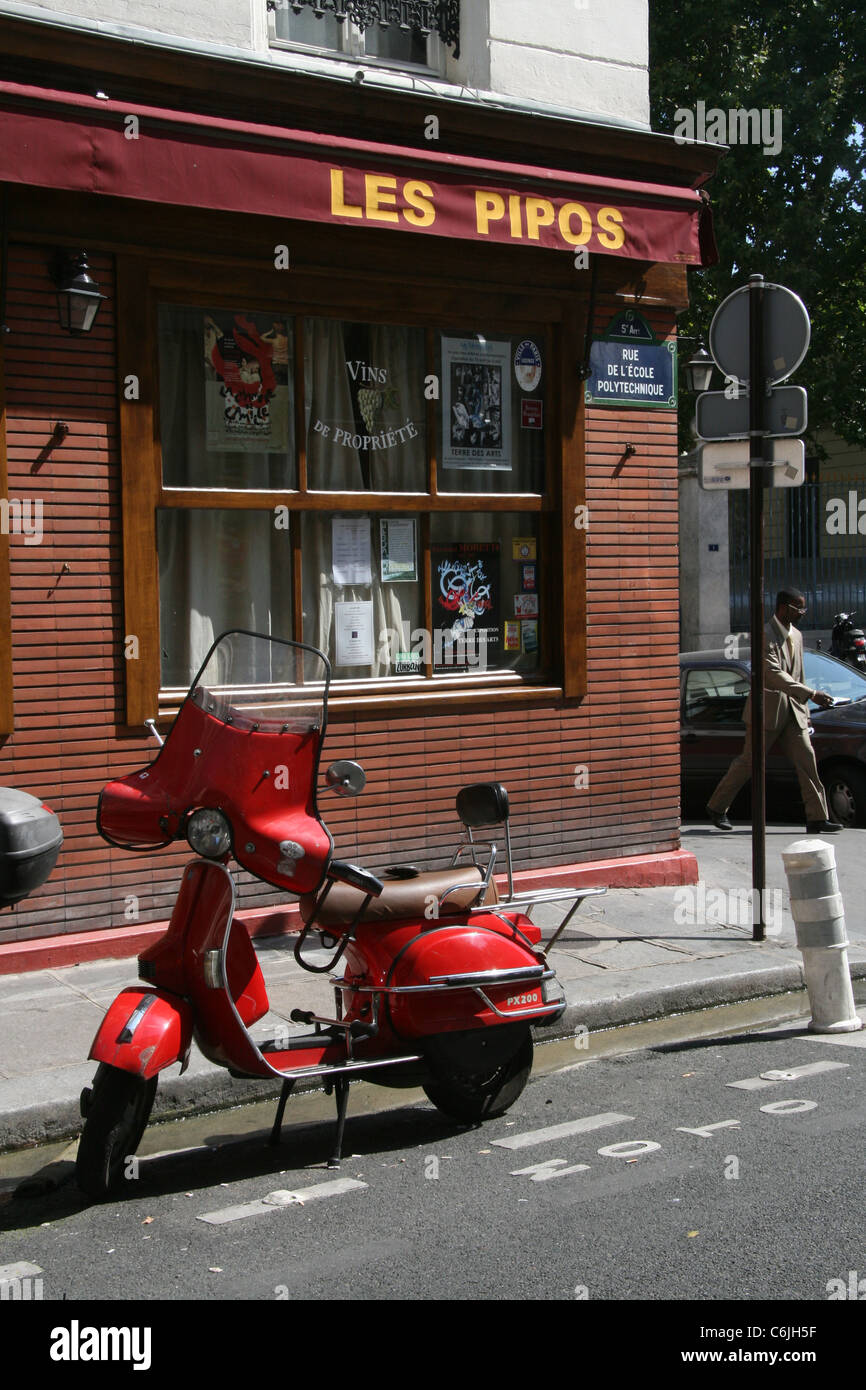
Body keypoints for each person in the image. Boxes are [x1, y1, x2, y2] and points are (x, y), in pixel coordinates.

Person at [706, 588, 841, 833]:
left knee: (807, 761)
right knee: (748, 762)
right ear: (783, 607)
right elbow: (772, 673)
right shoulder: (764, 635)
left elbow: (798, 675)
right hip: (766, 712)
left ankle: (817, 818)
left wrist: (805, 711)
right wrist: (811, 694)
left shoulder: (797, 635)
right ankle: (717, 807)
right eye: (798, 608)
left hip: (794, 712)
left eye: (803, 609)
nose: (802, 613)